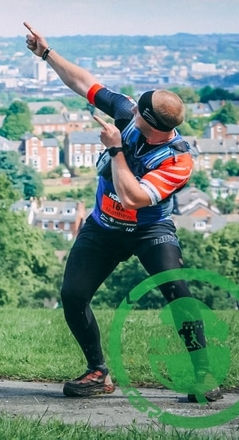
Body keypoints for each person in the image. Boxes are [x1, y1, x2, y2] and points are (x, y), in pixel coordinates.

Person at [23, 22, 223, 402]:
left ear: (156, 127)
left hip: (149, 230)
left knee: (178, 293)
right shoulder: (131, 114)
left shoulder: (177, 159)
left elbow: (132, 198)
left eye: (139, 120)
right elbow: (86, 84)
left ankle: (203, 375)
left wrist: (116, 150)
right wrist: (46, 54)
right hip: (103, 227)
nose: (132, 120)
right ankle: (97, 371)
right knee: (73, 295)